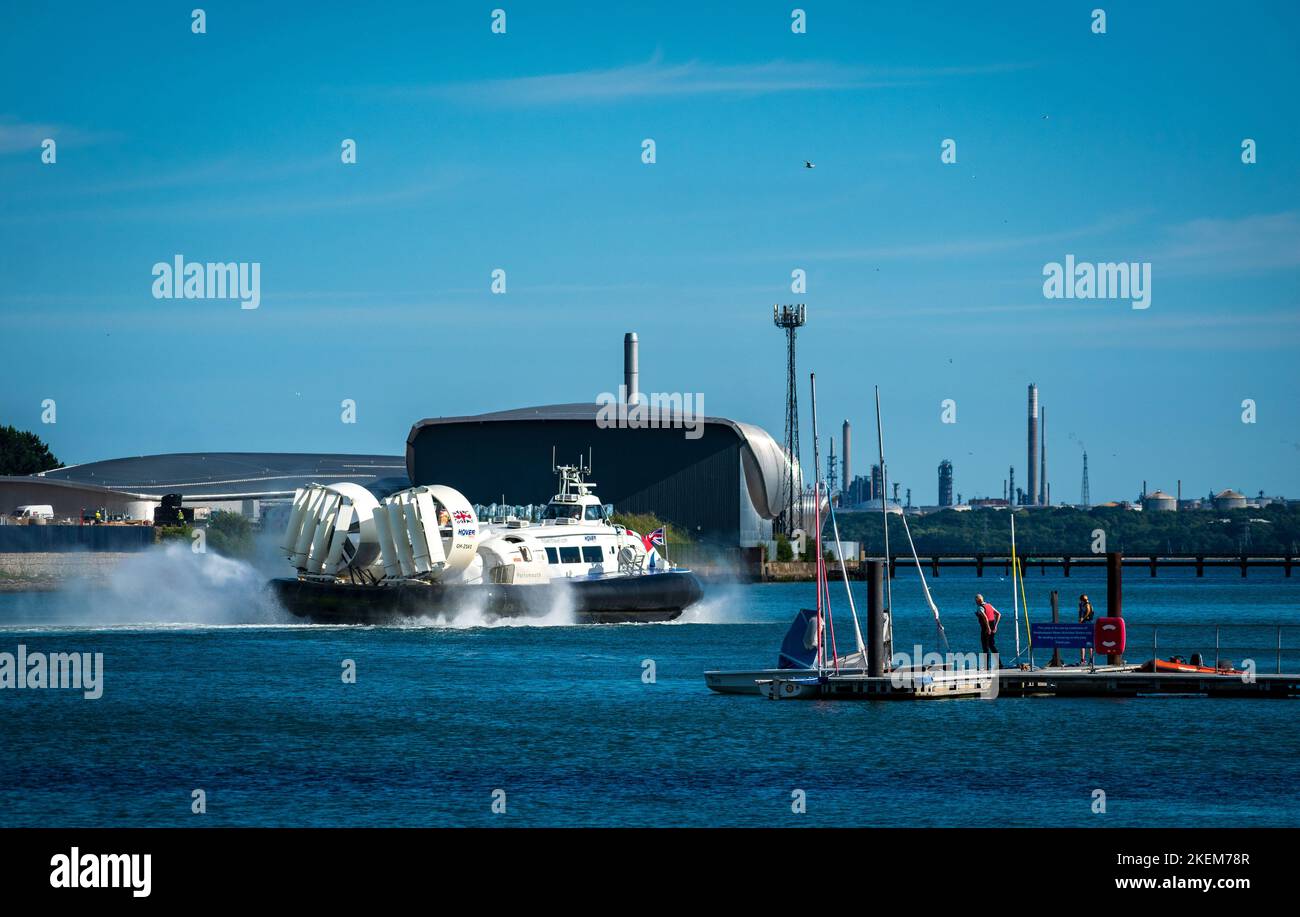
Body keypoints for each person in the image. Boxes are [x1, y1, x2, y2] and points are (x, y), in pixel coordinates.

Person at [975, 594, 1001, 665]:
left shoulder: (980, 608)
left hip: (986, 629)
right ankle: (1000, 664)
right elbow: (998, 614)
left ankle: (986, 666)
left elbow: (985, 618)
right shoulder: (989, 605)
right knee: (992, 646)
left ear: (979, 600)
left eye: (976, 600)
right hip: (993, 627)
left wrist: (988, 628)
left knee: (985, 647)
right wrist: (995, 626)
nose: (975, 602)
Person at [1078, 594, 1095, 665]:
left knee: (1082, 643)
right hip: (1091, 624)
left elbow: (1085, 613)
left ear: (1082, 600)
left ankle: (1082, 660)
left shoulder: (1084, 606)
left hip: (1085, 624)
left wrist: (1082, 619)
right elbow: (1092, 613)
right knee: (1090, 643)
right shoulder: (1091, 605)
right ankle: (1091, 659)